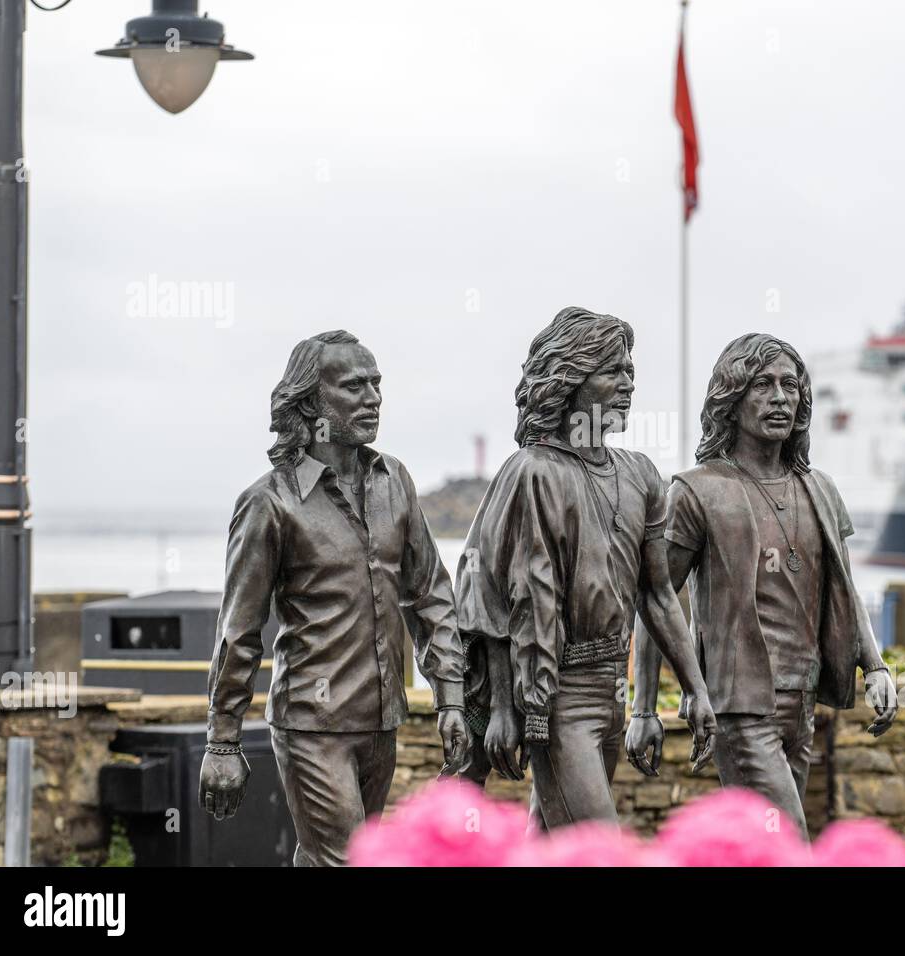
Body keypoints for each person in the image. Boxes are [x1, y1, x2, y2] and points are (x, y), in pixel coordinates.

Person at [199, 330, 470, 866]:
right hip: (312, 724)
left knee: (326, 858)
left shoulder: (395, 480)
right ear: (311, 401)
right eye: (354, 387)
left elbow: (430, 596)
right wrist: (223, 741)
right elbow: (239, 629)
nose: (372, 398)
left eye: (376, 385)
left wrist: (452, 695)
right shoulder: (269, 502)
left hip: (382, 720)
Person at [455, 306, 717, 828]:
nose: (627, 385)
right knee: (597, 846)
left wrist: (695, 688)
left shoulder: (641, 474)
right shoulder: (532, 472)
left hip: (609, 693)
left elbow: (659, 596)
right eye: (612, 372)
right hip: (555, 697)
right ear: (570, 382)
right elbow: (489, 600)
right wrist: (506, 708)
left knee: (552, 844)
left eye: (630, 372)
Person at [628, 332, 897, 836]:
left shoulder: (819, 488)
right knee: (787, 840)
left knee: (768, 847)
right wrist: (644, 709)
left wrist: (875, 665)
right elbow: (655, 598)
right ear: (732, 399)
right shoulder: (696, 491)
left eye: (790, 386)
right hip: (740, 701)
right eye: (763, 385)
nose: (780, 397)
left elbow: (844, 590)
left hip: (804, 696)